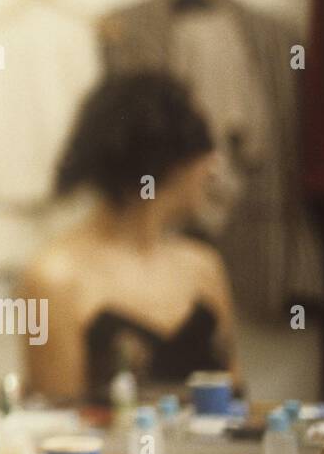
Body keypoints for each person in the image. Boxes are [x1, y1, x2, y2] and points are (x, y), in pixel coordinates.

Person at [21, 72, 240, 405]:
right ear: (166, 162)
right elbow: (56, 419)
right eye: (201, 146)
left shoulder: (203, 266)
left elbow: (235, 400)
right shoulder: (54, 277)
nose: (212, 164)